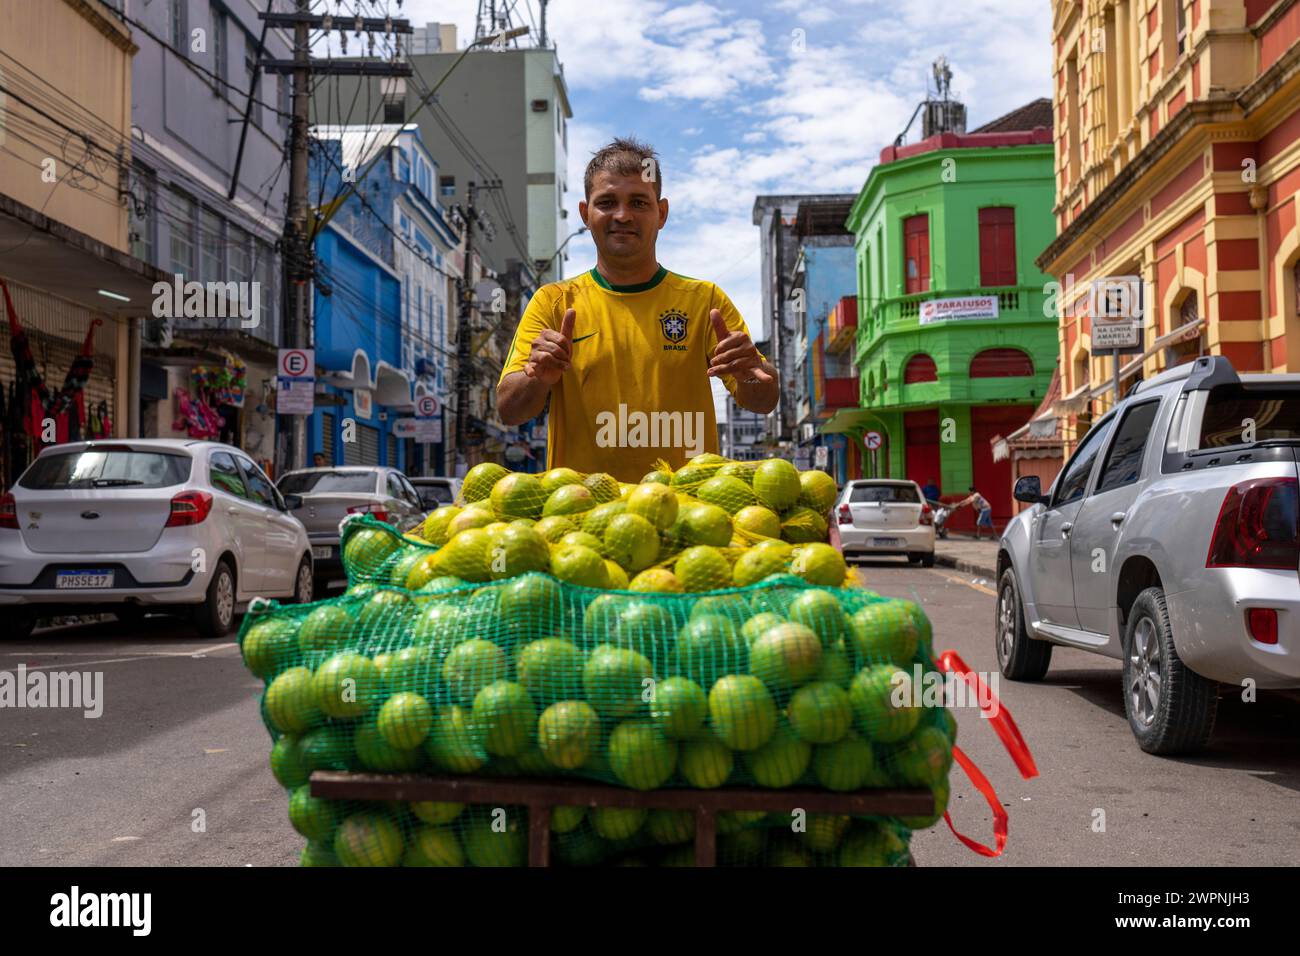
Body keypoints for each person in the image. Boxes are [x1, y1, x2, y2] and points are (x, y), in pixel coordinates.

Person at [497, 137, 778, 482]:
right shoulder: (553, 303)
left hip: (687, 515)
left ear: (661, 213)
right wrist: (535, 377)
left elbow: (763, 400)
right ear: (586, 214)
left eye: (638, 203)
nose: (622, 215)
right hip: (580, 517)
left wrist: (751, 371)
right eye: (607, 202)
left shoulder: (706, 301)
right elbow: (509, 411)